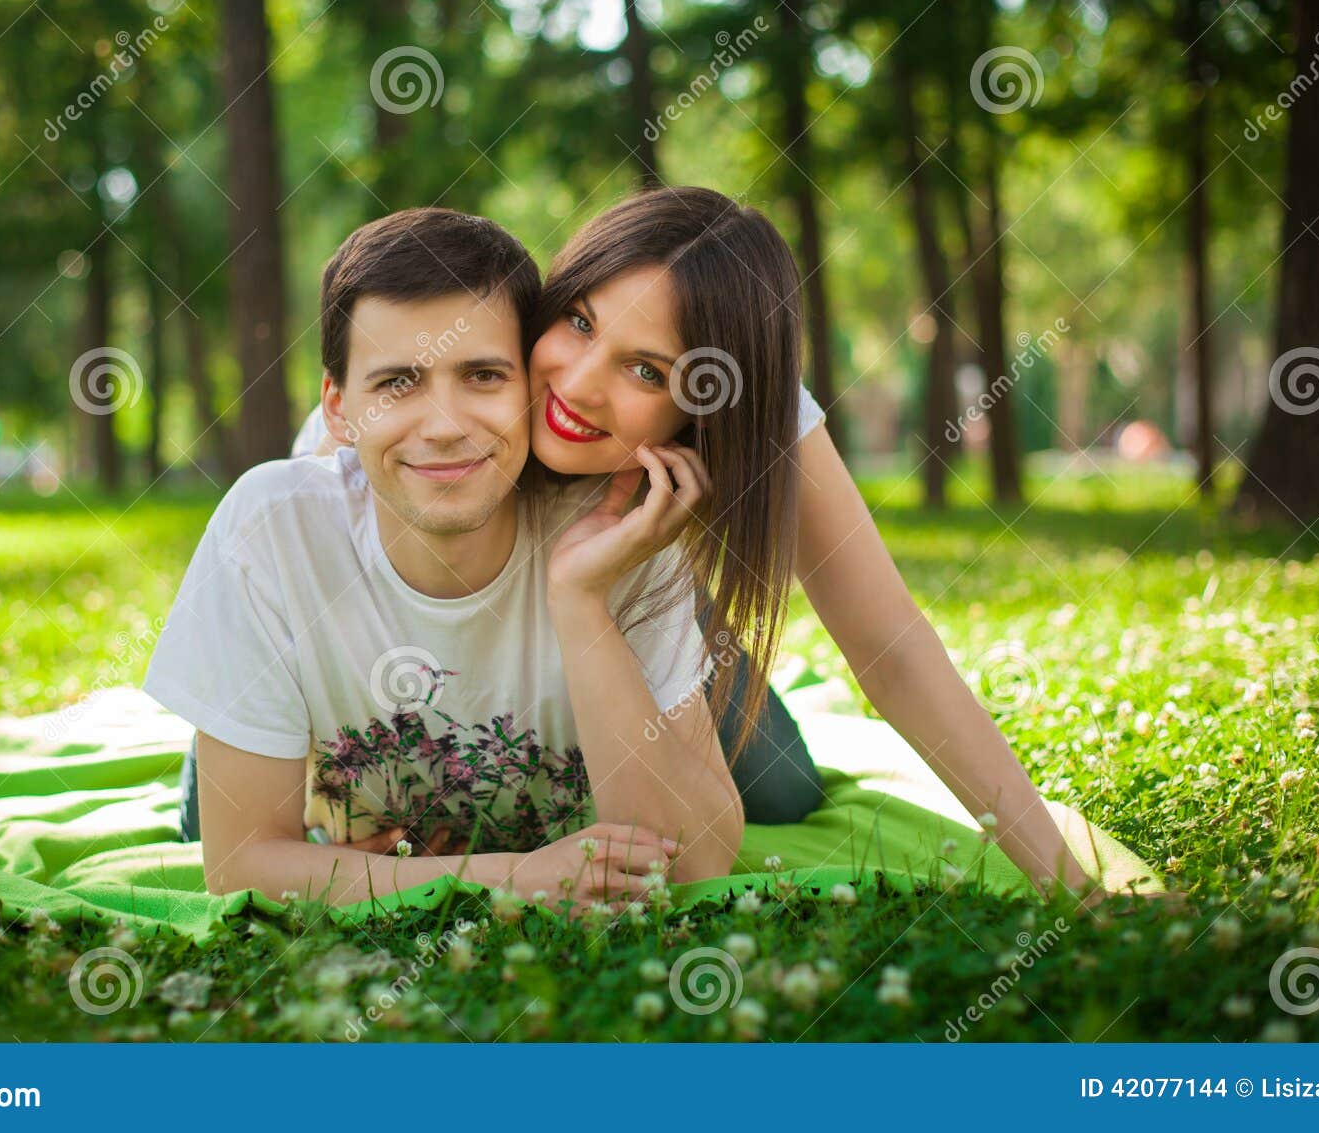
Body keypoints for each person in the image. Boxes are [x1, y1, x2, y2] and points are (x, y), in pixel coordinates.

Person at [293, 185, 1111, 905]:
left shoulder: (756, 409)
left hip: (638, 628)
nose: (577, 384)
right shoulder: (420, 412)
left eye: (649, 372)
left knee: (781, 788)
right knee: (231, 801)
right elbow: (309, 625)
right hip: (393, 676)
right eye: (577, 321)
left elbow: (890, 649)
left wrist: (1064, 881)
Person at [143, 207, 745, 910]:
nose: (445, 425)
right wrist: (512, 877)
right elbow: (244, 866)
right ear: (338, 407)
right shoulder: (272, 525)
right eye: (398, 382)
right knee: (208, 812)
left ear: (530, 387)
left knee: (783, 783)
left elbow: (698, 864)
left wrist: (581, 601)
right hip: (295, 734)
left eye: (484, 375)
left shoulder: (616, 527)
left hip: (646, 669)